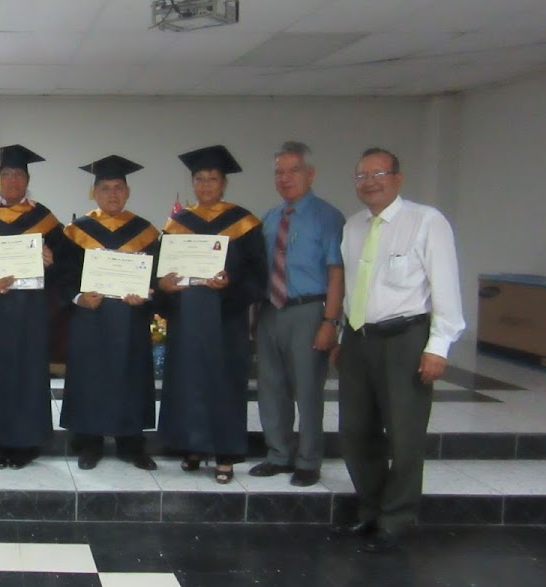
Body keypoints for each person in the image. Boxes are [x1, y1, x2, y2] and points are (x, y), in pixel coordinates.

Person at [331, 148, 464, 553]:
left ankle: (398, 516)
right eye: (361, 176)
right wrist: (341, 338)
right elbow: (354, 288)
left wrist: (438, 346)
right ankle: (370, 509)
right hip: (358, 341)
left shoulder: (426, 222)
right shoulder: (353, 226)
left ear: (398, 178)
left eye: (379, 173)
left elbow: (446, 287)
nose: (370, 182)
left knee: (404, 434)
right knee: (355, 432)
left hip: (405, 340)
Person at [157, 145, 268, 485]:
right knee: (188, 381)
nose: (206, 186)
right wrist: (165, 286)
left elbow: (258, 275)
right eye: (200, 179)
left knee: (224, 383)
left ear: (224, 184)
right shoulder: (177, 224)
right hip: (187, 320)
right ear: (192, 183)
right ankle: (191, 446)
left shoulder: (244, 223)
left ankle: (225, 453)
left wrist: (231, 284)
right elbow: (162, 274)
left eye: (213, 179)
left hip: (226, 319)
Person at [0, 144, 70, 469]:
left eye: (19, 175)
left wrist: (51, 262)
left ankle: (25, 442)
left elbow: (67, 267)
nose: (12, 180)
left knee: (27, 374)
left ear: (27, 180)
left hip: (30, 313)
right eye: (6, 174)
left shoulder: (45, 219)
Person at [250, 141, 346, 488]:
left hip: (309, 311)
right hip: (270, 312)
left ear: (310, 173)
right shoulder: (271, 217)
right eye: (279, 172)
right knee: (271, 387)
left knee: (307, 389)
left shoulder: (328, 217)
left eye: (293, 170)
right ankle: (278, 454)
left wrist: (330, 322)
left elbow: (337, 272)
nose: (285, 178)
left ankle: (308, 460)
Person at [61, 155, 160, 471]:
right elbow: (62, 277)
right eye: (105, 188)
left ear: (128, 191)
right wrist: (78, 297)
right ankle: (89, 444)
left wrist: (146, 296)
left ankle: (132, 444)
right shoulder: (76, 232)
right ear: (95, 193)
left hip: (130, 320)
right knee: (91, 378)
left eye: (118, 187)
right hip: (91, 318)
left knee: (130, 376)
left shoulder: (145, 232)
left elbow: (155, 277)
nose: (112, 194)